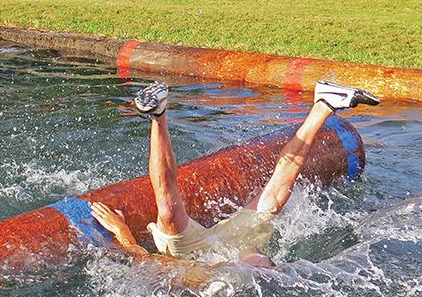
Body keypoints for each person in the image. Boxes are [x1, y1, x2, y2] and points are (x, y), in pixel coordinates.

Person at [91, 80, 380, 268]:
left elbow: (142, 260)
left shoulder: (186, 280)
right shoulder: (244, 271)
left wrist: (122, 232)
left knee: (167, 209)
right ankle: (324, 105)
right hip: (233, 253)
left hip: (189, 254)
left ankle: (158, 115)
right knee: (275, 200)